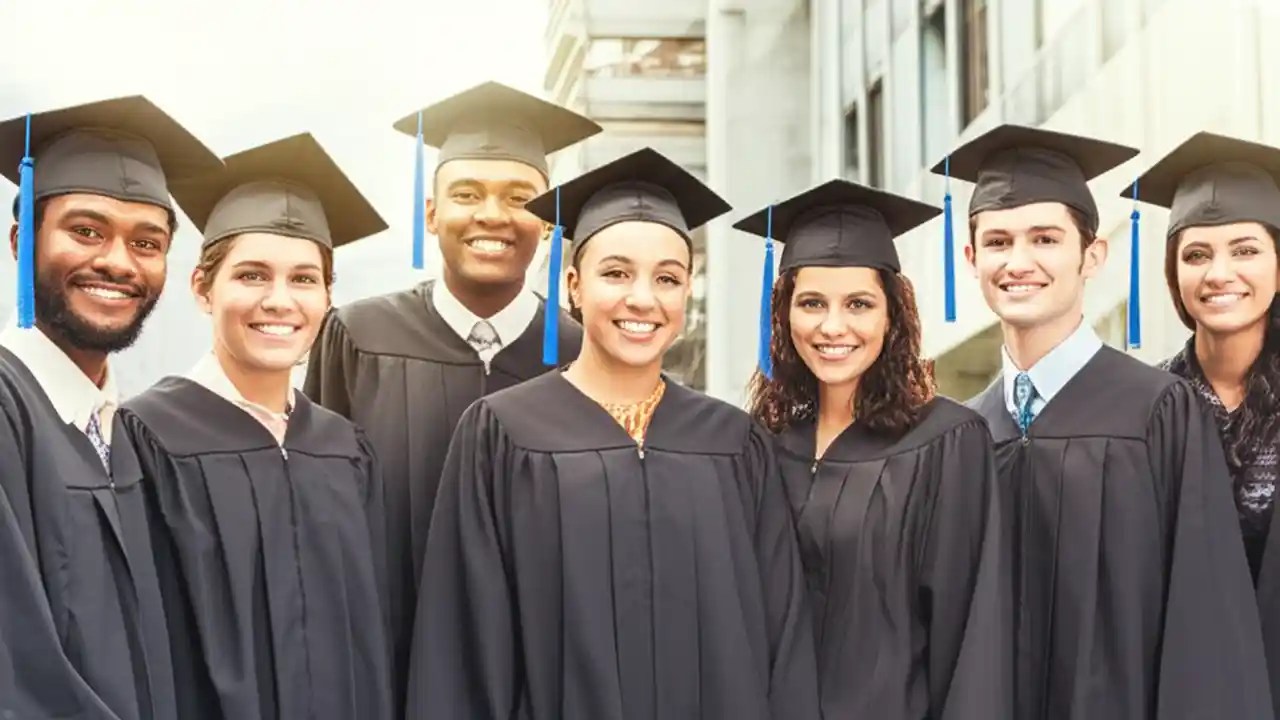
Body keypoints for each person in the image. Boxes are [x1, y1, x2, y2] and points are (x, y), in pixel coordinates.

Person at [406, 147, 820, 719]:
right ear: (573, 285)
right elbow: (463, 640)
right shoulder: (501, 433)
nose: (643, 299)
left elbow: (784, 631)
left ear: (686, 293)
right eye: (616, 273)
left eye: (667, 278)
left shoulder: (733, 441)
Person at [931, 124, 1272, 718]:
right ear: (970, 258)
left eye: (1045, 238)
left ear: (1092, 255)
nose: (1019, 262)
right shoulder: (957, 435)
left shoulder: (1159, 411)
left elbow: (1204, 626)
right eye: (998, 241)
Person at [301, 82, 599, 703]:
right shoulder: (357, 337)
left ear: (547, 223)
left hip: (539, 680)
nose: (491, 214)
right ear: (431, 211)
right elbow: (317, 514)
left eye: (519, 198)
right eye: (467, 195)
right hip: (386, 670)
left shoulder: (584, 356)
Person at [118, 133, 393, 720]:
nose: (279, 300)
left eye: (303, 279)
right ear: (202, 289)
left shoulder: (345, 449)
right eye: (251, 276)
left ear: (326, 298)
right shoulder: (148, 435)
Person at [738, 179, 1011, 719]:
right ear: (784, 313)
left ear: (893, 317)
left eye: (859, 304)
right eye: (811, 302)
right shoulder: (760, 445)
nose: (832, 326)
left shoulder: (945, 443)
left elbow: (970, 638)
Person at [0, 95, 222, 719]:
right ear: (22, 241)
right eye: (86, 231)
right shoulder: (8, 410)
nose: (118, 263)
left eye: (147, 243)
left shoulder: (122, 433)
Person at [1128, 130, 1280, 716]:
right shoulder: (1143, 407)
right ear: (1173, 272)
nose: (1219, 273)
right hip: (1182, 691)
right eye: (1196, 255)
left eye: (1245, 250)